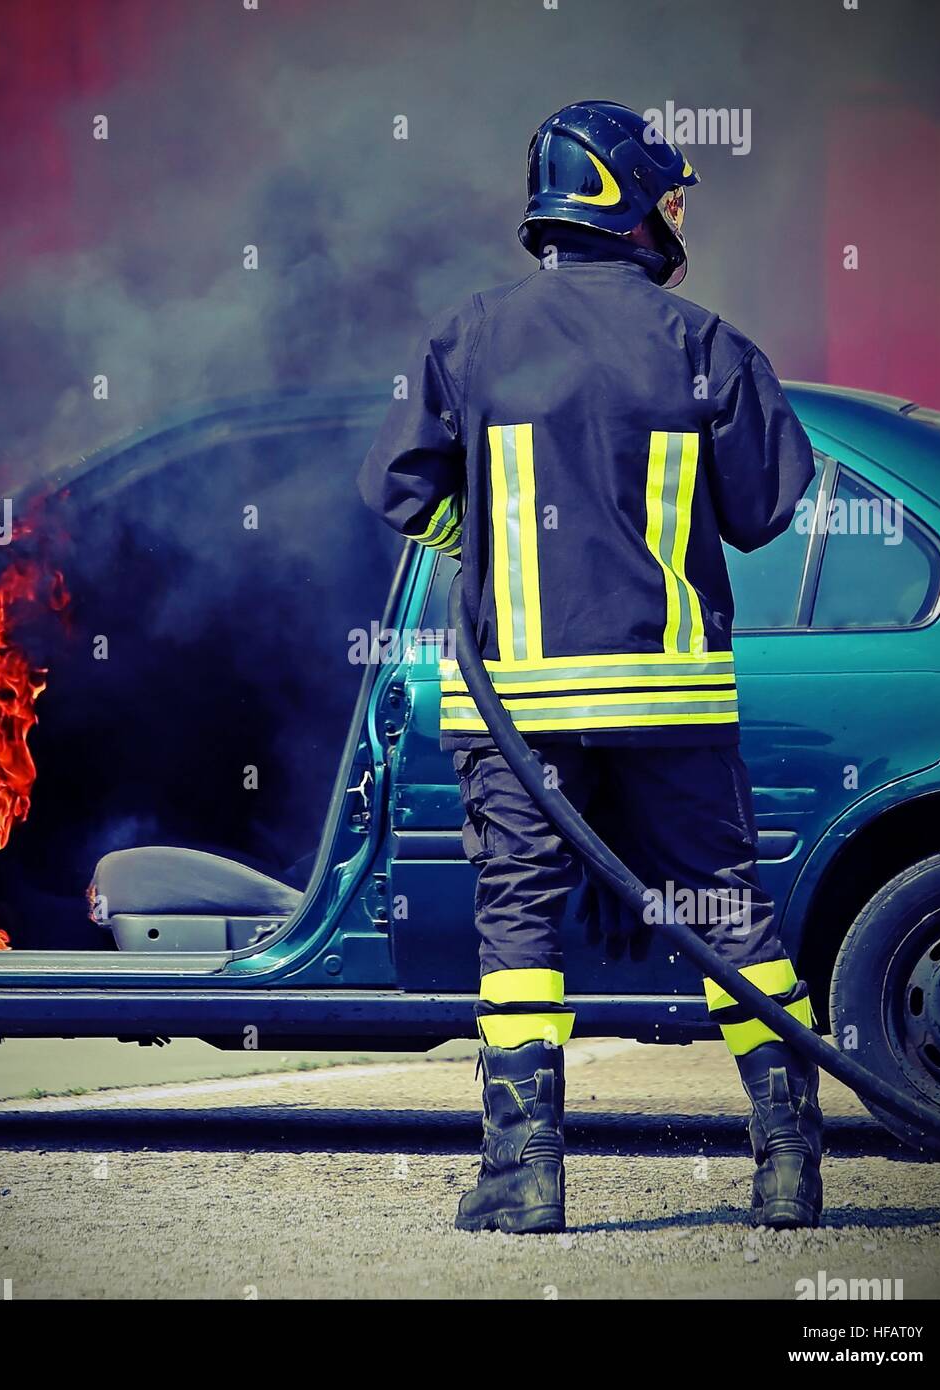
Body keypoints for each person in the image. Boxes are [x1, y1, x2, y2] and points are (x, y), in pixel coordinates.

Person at [358, 100, 820, 1234]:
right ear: (618, 198)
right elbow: (765, 505)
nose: (676, 218)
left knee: (518, 928)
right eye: (667, 195)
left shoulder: (467, 337)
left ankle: (523, 1182)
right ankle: (788, 1171)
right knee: (727, 915)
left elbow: (398, 488)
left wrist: (495, 547)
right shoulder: (699, 342)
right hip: (668, 701)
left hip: (515, 703)